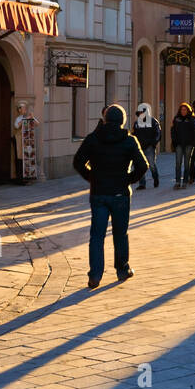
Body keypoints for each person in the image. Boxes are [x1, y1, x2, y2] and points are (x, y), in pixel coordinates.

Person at [73, 104, 147, 289]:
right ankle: (122, 270)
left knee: (97, 236)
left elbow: (78, 162)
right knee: (120, 234)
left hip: (99, 192)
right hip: (120, 193)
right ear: (122, 120)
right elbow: (142, 165)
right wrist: (129, 179)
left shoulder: (93, 139)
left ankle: (95, 276)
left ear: (105, 119)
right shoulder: (129, 140)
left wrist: (91, 176)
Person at [131, 103, 161, 189]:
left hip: (149, 147)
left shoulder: (153, 122)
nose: (141, 114)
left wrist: (153, 144)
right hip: (139, 148)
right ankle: (142, 184)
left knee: (152, 164)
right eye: (139, 113)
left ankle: (155, 178)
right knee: (140, 165)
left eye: (142, 112)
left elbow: (158, 133)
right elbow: (134, 134)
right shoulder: (136, 123)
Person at [170, 103, 195, 189]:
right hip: (179, 144)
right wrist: (174, 141)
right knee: (178, 163)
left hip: (189, 144)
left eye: (185, 110)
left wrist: (189, 120)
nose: (183, 111)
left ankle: (185, 181)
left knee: (187, 163)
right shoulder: (176, 119)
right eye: (182, 109)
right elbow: (173, 130)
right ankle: (178, 182)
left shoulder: (193, 118)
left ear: (188, 110)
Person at [13, 102, 40, 183]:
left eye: (25, 108)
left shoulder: (29, 116)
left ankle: (29, 177)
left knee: (29, 158)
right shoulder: (18, 118)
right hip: (20, 143)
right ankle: (21, 179)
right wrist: (25, 119)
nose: (25, 110)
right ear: (19, 110)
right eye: (23, 108)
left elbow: (37, 123)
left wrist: (32, 117)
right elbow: (16, 126)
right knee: (21, 159)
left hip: (29, 142)